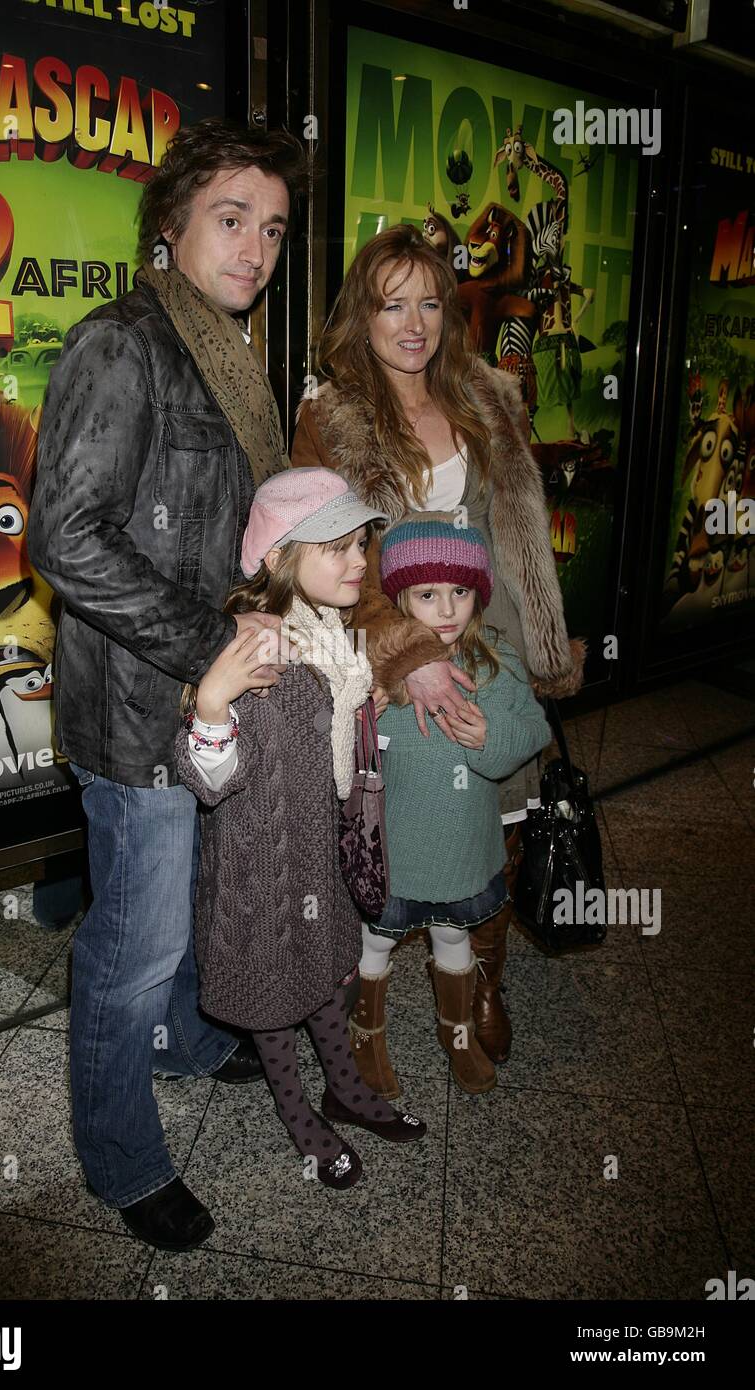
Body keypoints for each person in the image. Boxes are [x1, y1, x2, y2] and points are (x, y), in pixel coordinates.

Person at [27, 118, 310, 1251]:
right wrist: (211, 644)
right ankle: (121, 1157)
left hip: (210, 699)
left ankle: (189, 1041)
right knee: (131, 943)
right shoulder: (124, 342)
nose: (255, 249)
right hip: (144, 707)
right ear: (171, 227)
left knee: (192, 905)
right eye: (231, 220)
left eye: (274, 230)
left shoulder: (227, 353)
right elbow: (68, 537)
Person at [290, 223, 584, 1088]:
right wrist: (407, 652)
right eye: (391, 304)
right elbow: (316, 553)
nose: (412, 323)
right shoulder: (328, 418)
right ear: (361, 315)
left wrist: (536, 643)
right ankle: (365, 1004)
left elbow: (516, 531)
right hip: (391, 660)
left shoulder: (489, 396)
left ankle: (482, 988)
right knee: (405, 833)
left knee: (498, 820)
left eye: (428, 302)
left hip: (490, 649)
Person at [173, 468, 428, 1189]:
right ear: (281, 556)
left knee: (319, 975)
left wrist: (358, 704)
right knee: (273, 996)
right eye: (336, 547)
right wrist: (215, 707)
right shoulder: (256, 649)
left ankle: (344, 1088)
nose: (358, 561)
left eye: (359, 545)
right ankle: (299, 1117)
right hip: (263, 870)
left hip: (317, 859)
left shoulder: (328, 639)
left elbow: (332, 741)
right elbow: (210, 780)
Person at [359, 513, 551, 1096]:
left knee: (454, 936)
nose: (446, 610)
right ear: (399, 597)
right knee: (375, 941)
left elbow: (535, 729)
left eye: (460, 592)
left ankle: (458, 1033)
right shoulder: (381, 668)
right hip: (393, 847)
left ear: (478, 594)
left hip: (462, 847)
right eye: (426, 594)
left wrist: (489, 739)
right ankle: (365, 1037)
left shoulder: (494, 659)